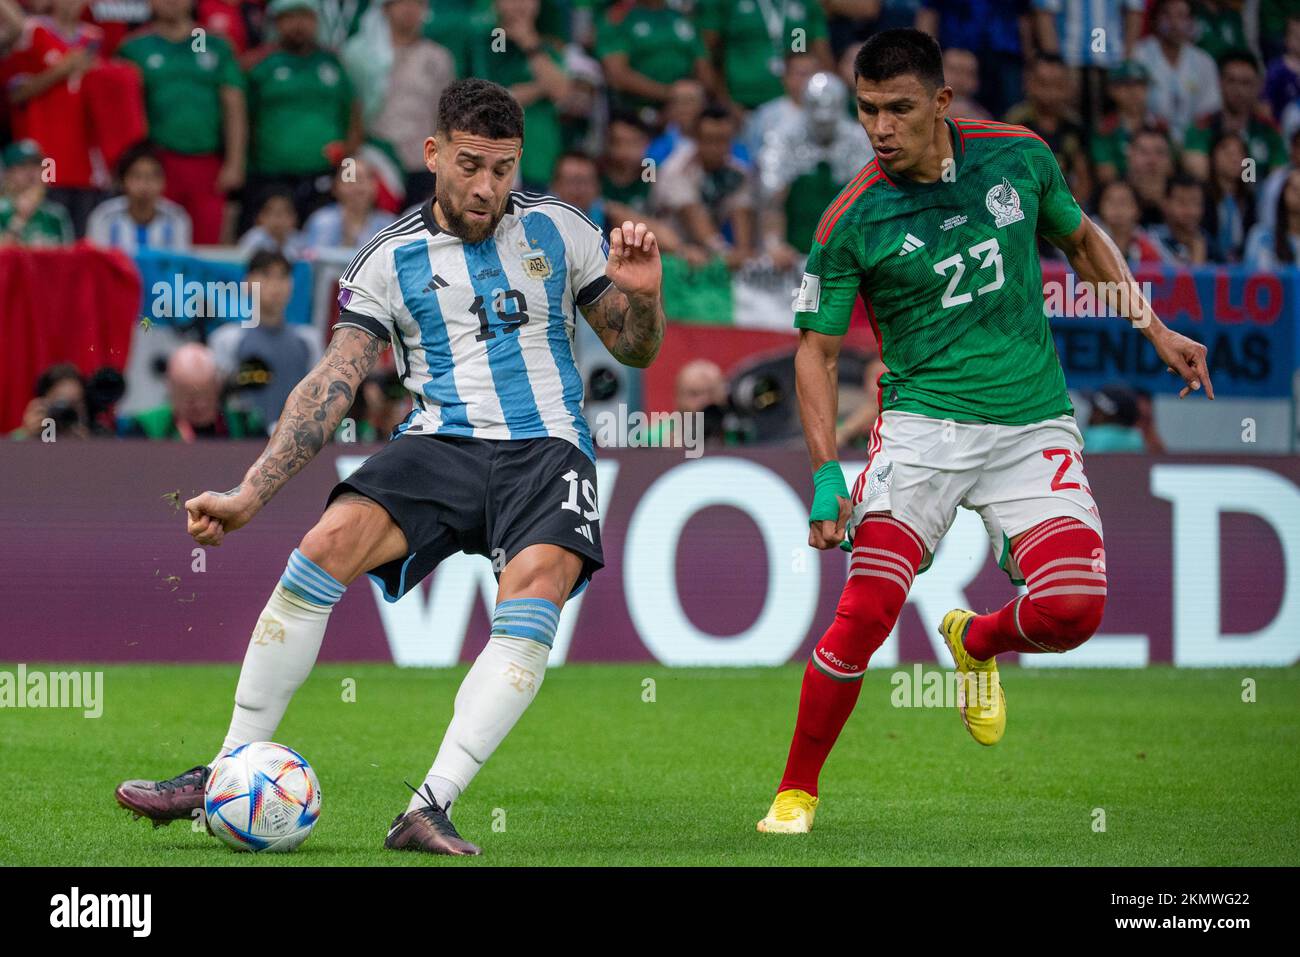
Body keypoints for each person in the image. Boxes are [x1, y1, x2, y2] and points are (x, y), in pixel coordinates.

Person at [114, 78, 667, 857]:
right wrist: (249, 492)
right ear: (433, 153)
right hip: (440, 442)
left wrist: (645, 298)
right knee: (322, 548)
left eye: (504, 169)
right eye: (471, 164)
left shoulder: (564, 231)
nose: (487, 187)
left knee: (536, 589)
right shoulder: (387, 257)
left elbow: (637, 347)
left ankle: (428, 806)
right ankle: (224, 769)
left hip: (548, 450)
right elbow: (332, 383)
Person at [756, 29, 1213, 835]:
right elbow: (816, 353)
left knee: (1073, 609)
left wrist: (1154, 327)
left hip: (1030, 420)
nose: (880, 128)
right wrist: (828, 476)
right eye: (867, 110)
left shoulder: (1020, 158)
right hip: (922, 429)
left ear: (941, 101)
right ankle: (796, 789)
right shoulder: (850, 217)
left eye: (899, 109)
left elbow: (1080, 239)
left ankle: (977, 641)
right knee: (865, 610)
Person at [116, 0, 247, 245]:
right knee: (155, 243)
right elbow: (121, 110)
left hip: (206, 164)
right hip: (156, 164)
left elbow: (234, 104)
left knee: (205, 246)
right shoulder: (134, 47)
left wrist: (235, 162)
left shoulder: (216, 45)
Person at [241, 0, 362, 233]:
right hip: (271, 175)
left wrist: (347, 156)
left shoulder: (333, 63)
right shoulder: (258, 64)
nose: (298, 25)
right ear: (276, 23)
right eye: (290, 17)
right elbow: (244, 119)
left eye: (305, 17)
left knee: (322, 240)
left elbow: (353, 115)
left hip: (324, 173)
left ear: (316, 21)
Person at [209, 250, 321, 429]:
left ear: (291, 285)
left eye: (283, 276)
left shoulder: (309, 340)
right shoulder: (226, 340)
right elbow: (219, 405)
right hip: (242, 443)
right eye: (266, 276)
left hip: (297, 441)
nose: (275, 285)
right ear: (247, 283)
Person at [118, 342, 264, 439]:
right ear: (171, 390)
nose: (199, 405)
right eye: (190, 398)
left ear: (217, 387)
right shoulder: (146, 428)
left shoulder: (246, 426)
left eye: (206, 396)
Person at [1181, 50, 1287, 182]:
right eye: (1232, 81)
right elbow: (1197, 174)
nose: (1239, 90)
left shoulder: (1269, 131)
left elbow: (1278, 181)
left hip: (1257, 199)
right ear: (1220, 83)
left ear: (1258, 86)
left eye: (1246, 83)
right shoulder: (1202, 128)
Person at [1134, 0, 1221, 147]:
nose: (1174, 23)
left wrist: (1190, 139)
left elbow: (1208, 111)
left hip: (1190, 142)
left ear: (1191, 22)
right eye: (1167, 15)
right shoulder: (1139, 55)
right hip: (1148, 136)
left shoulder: (1204, 62)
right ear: (1155, 20)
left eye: (1181, 16)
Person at [85, 141, 192, 253]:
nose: (144, 185)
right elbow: (97, 265)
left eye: (152, 177)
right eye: (137, 176)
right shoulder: (104, 217)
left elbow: (181, 268)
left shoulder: (177, 218)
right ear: (122, 181)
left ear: (164, 181)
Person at [299, 158, 397, 253]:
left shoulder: (389, 225)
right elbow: (310, 263)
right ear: (336, 187)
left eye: (363, 179)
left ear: (375, 186)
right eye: (350, 181)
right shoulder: (321, 222)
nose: (357, 187)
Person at [0, 138, 73, 245]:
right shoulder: (2, 211)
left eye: (36, 166)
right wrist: (20, 218)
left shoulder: (56, 214)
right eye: (23, 166)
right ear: (8, 173)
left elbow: (68, 259)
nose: (31, 173)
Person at [1149, 172, 1215, 265]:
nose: (1191, 211)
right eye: (1182, 203)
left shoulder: (1209, 242)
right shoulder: (1150, 241)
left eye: (1196, 203)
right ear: (1165, 204)